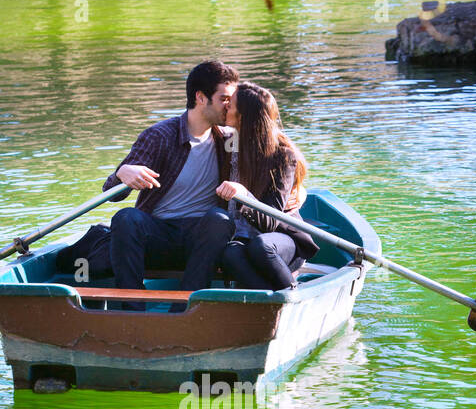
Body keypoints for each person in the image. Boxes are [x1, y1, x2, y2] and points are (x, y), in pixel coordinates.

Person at [97, 60, 239, 298]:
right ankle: (131, 305)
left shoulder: (230, 140)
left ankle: (186, 304)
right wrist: (122, 174)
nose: (230, 106)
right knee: (125, 218)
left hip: (202, 237)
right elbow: (111, 192)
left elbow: (270, 150)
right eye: (224, 99)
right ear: (201, 97)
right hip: (158, 234)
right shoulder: (159, 136)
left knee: (220, 219)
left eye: (232, 100)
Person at [215, 82, 318, 291]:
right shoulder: (227, 145)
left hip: (281, 241)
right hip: (242, 238)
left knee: (261, 246)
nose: (226, 107)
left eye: (231, 105)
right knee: (229, 254)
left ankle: (291, 296)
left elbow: (271, 221)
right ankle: (268, 307)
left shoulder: (282, 156)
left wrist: (243, 195)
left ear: (243, 117)